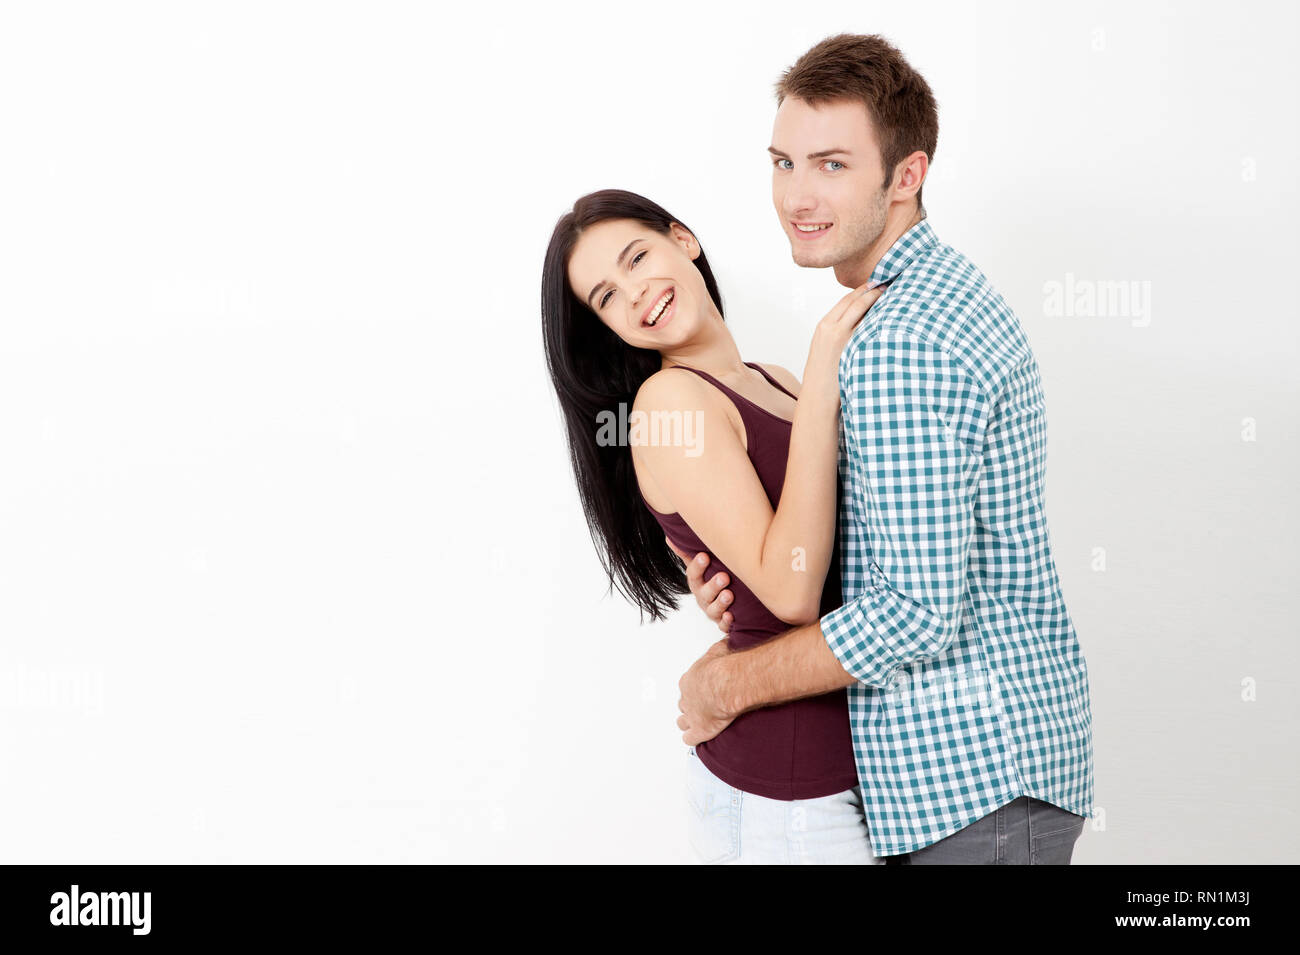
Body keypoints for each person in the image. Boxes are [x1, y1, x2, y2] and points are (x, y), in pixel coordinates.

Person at [673, 32, 1096, 864]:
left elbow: (914, 611)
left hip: (972, 785)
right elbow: (900, 551)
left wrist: (726, 682)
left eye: (832, 164)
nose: (797, 194)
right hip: (997, 778)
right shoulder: (932, 294)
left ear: (907, 176)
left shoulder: (900, 339)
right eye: (783, 161)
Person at [542, 187, 886, 863]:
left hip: (861, 763)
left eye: (637, 258)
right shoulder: (671, 402)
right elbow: (790, 594)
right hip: (786, 791)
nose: (635, 293)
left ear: (683, 238)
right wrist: (827, 365)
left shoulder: (776, 380)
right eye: (607, 297)